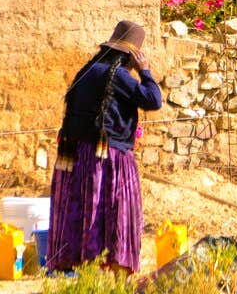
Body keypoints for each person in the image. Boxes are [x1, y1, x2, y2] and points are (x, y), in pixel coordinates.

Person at [47, 20, 163, 274]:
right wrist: (145, 71)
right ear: (131, 55)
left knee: (85, 210)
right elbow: (153, 100)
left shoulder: (88, 71)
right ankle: (116, 274)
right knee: (115, 213)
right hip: (109, 157)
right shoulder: (119, 76)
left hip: (78, 155)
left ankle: (84, 269)